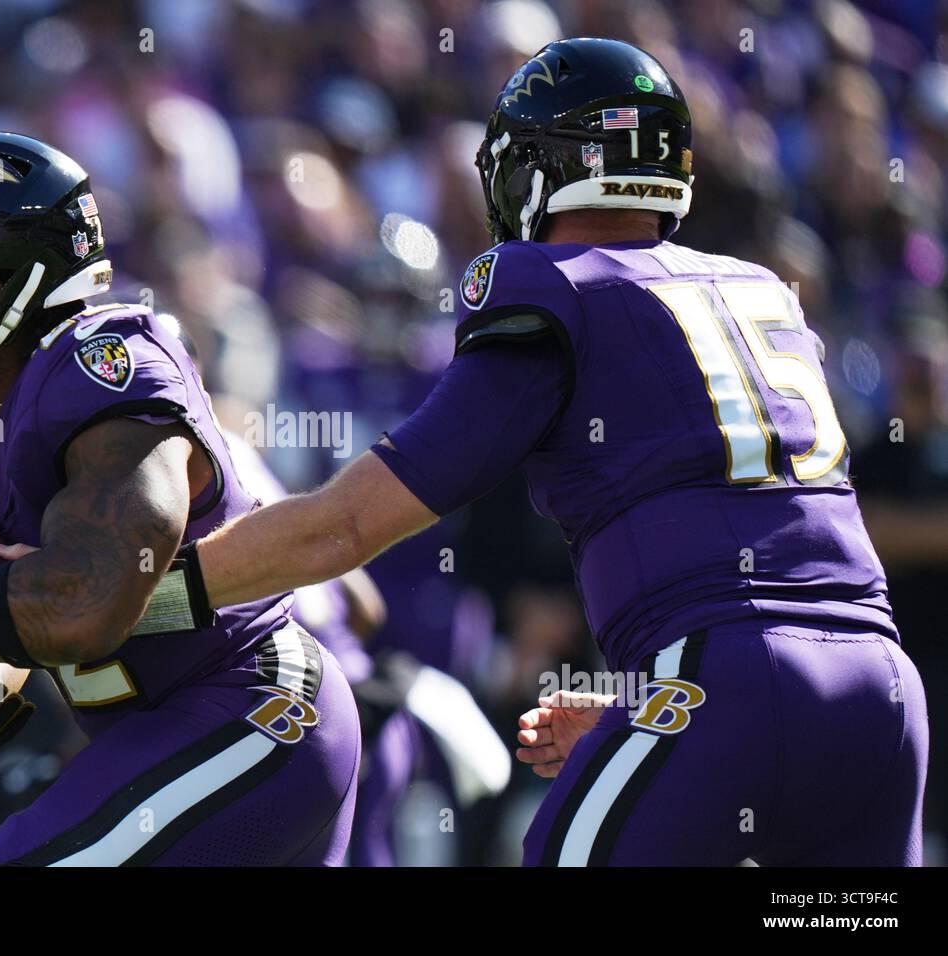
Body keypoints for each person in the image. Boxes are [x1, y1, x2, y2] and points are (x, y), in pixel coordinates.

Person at [164, 38, 928, 866]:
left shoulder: (556, 286)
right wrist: (653, 712)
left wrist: (150, 600)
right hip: (882, 691)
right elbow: (779, 578)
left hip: (724, 675)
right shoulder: (758, 290)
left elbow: (342, 528)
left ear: (536, 171)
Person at [0, 132, 360, 866]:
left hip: (250, 707)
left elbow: (80, 606)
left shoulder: (101, 372)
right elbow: (18, 568)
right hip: (142, 729)